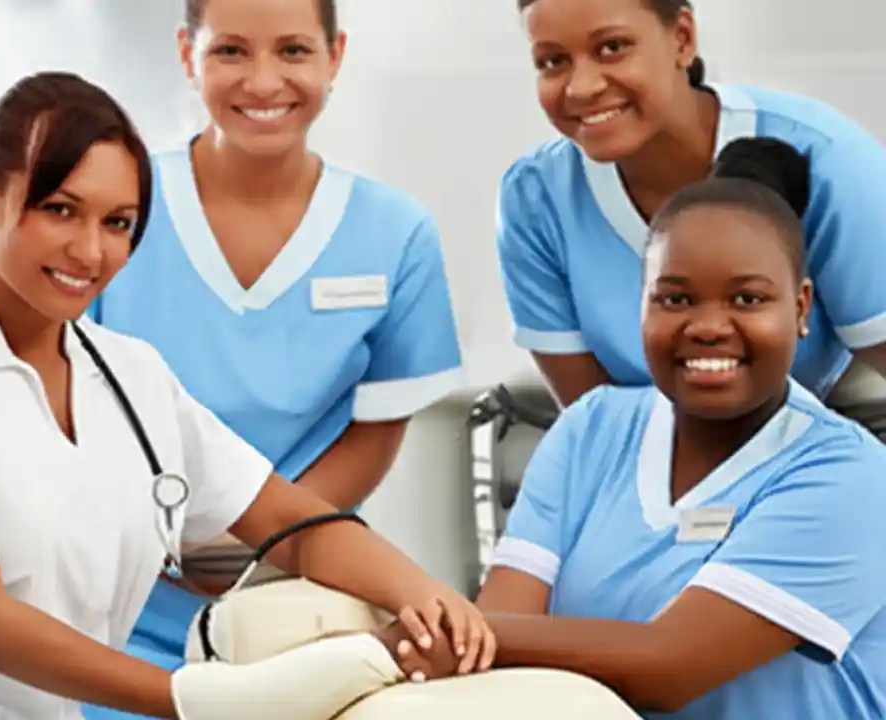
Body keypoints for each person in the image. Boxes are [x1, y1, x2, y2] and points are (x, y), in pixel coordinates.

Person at [0, 71, 492, 720]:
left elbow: (290, 526)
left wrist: (426, 594)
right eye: (59, 210)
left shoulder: (133, 376)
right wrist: (193, 699)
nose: (90, 250)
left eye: (118, 222)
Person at [87, 0, 467, 694]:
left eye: (293, 51)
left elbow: (375, 431)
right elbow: (67, 399)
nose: (263, 81)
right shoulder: (116, 207)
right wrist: (174, 537)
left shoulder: (395, 232)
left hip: (304, 590)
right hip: (121, 590)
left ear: (335, 56)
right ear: (186, 54)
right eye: (231, 51)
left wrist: (262, 541)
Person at [474, 138, 886, 717]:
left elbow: (667, 667)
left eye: (747, 298)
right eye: (675, 298)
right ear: (641, 304)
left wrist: (434, 631)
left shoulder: (853, 478)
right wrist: (468, 634)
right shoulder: (592, 429)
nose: (709, 326)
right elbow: (502, 634)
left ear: (800, 309)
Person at [496, 0, 886, 439]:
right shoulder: (534, 199)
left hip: (818, 443)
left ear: (682, 38)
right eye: (552, 62)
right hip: (652, 466)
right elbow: (594, 429)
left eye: (612, 48)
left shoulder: (827, 159)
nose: (581, 87)